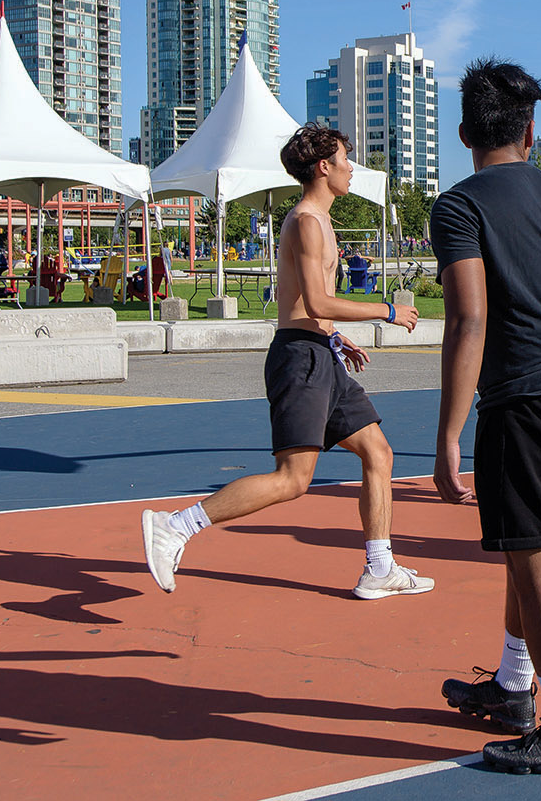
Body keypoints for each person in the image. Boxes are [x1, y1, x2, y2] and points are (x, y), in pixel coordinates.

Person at [142, 124, 432, 600]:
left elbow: (307, 304)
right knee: (293, 479)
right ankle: (176, 525)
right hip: (301, 360)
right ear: (323, 167)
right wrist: (387, 311)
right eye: (344, 159)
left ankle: (380, 568)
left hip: (320, 353)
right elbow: (316, 301)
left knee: (378, 453)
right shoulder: (306, 222)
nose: (350, 168)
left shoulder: (321, 220)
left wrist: (334, 336)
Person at [431, 58, 541, 775]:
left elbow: (467, 320)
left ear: (464, 133)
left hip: (530, 401)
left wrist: (448, 434)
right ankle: (513, 688)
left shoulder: (459, 205)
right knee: (529, 550)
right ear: (531, 131)